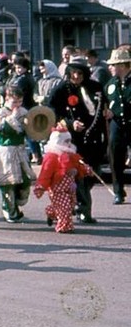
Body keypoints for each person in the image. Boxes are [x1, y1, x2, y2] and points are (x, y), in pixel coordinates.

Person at [48, 56, 107, 223]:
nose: (76, 76)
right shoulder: (61, 89)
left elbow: (104, 106)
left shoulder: (95, 87)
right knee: (79, 174)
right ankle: (84, 210)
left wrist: (107, 111)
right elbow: (53, 113)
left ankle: (76, 200)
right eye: (73, 72)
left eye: (80, 73)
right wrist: (70, 123)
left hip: (94, 137)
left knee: (94, 173)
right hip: (72, 140)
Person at [0, 86, 35, 222]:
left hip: (20, 150)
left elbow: (30, 130)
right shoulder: (1, 112)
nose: (17, 105)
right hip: (6, 151)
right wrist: (13, 117)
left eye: (20, 102)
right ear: (7, 99)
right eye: (14, 102)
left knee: (25, 181)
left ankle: (17, 204)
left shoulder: (24, 111)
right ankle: (10, 210)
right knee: (8, 183)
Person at [34, 126, 92, 233]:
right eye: (66, 141)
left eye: (70, 141)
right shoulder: (51, 156)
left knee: (69, 206)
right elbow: (45, 173)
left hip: (70, 187)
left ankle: (51, 211)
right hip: (57, 188)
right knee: (64, 207)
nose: (69, 143)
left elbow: (79, 166)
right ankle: (64, 227)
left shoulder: (71, 155)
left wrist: (86, 170)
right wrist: (41, 187)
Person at [104, 47, 131, 204]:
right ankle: (118, 191)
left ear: (122, 65)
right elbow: (106, 103)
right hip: (117, 124)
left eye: (113, 65)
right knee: (114, 155)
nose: (110, 67)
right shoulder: (110, 84)